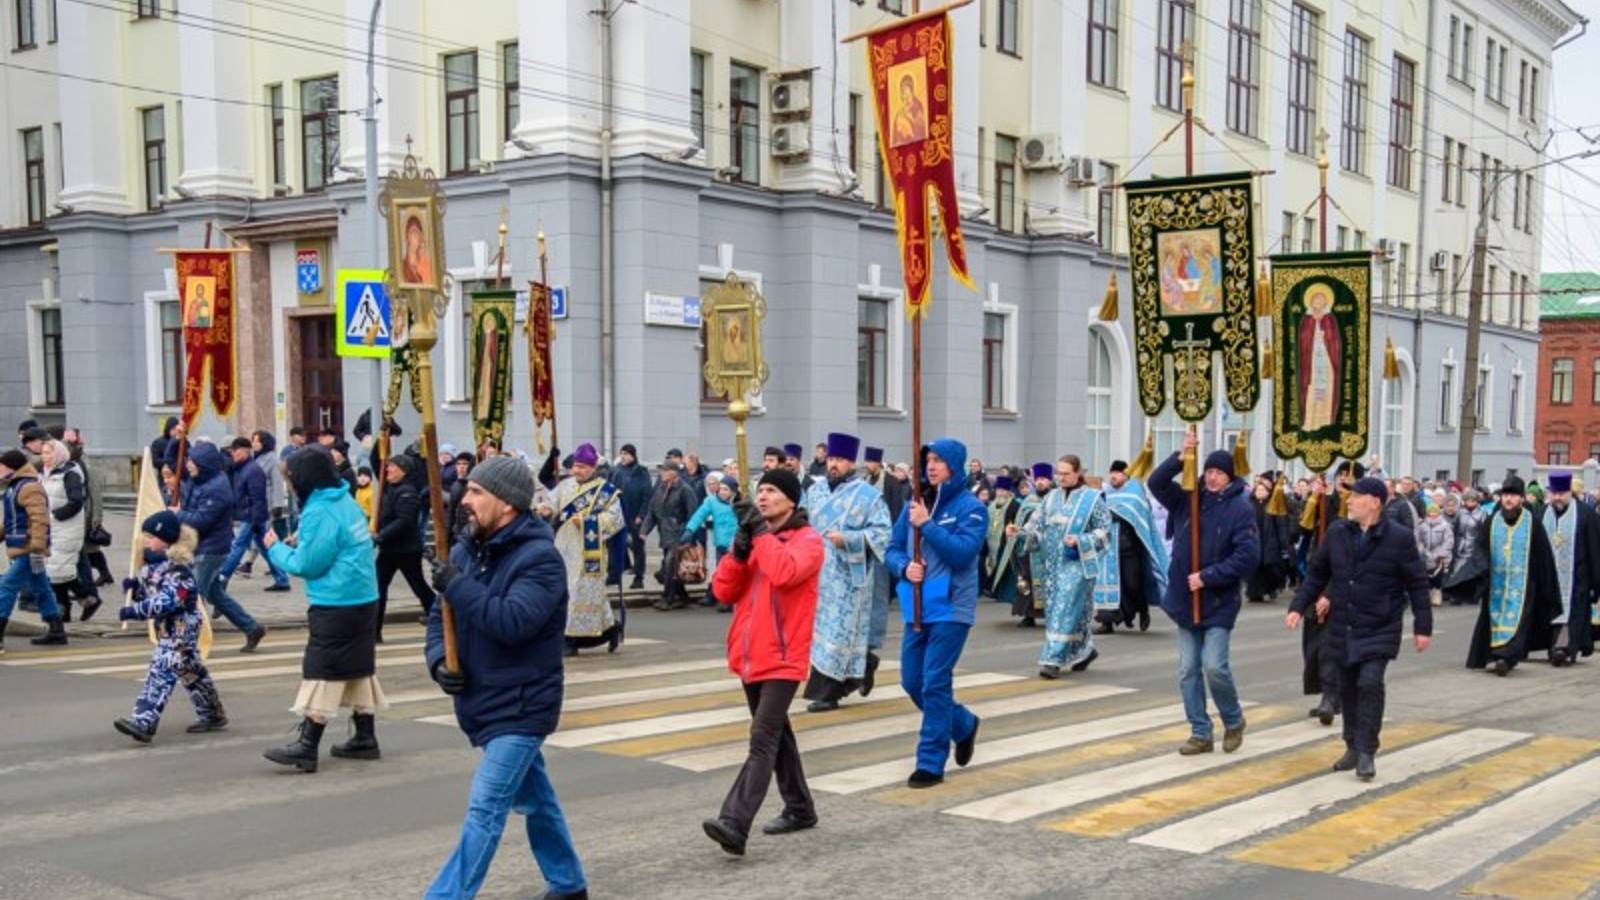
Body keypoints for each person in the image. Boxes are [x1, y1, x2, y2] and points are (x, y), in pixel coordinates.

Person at [424, 456, 588, 900]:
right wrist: (441, 663)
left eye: (477, 493)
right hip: (482, 700)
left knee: (485, 809)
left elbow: (513, 621)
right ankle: (569, 884)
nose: (466, 501)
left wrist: (456, 585)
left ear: (508, 504)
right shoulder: (464, 551)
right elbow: (439, 621)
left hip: (523, 704)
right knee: (537, 801)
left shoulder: (541, 559)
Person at [694, 466, 826, 857]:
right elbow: (722, 590)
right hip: (751, 655)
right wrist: (738, 552)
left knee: (762, 737)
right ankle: (800, 807)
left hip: (784, 657)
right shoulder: (758, 540)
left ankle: (735, 821)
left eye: (771, 491)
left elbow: (785, 573)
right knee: (777, 734)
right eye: (761, 490)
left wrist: (761, 538)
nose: (763, 496)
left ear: (791, 500)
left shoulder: (808, 541)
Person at [1286, 477, 1431, 781]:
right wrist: (1298, 607)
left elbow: (1417, 584)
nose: (1349, 502)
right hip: (1345, 624)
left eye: (1356, 497)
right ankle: (1352, 745)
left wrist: (1423, 626)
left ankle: (1367, 751)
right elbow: (1317, 573)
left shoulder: (1399, 538)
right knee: (1348, 688)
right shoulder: (1338, 532)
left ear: (1374, 502)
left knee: (1369, 683)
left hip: (1380, 624)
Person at [261, 447, 386, 772]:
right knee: (358, 666)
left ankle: (307, 744)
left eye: (290, 478)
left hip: (335, 600)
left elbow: (308, 564)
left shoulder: (319, 511)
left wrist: (274, 548)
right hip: (363, 595)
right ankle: (365, 736)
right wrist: (301, 540)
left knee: (323, 668)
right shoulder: (344, 500)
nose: (288, 484)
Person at [884, 438, 988, 788]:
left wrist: (927, 525)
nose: (931, 466)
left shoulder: (971, 507)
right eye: (928, 459)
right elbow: (893, 549)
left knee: (934, 683)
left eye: (939, 461)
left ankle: (930, 762)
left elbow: (963, 553)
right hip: (917, 605)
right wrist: (904, 568)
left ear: (955, 467)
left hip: (952, 608)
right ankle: (962, 724)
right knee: (912, 682)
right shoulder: (915, 504)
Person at [1147, 432, 1258, 755]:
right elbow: (1155, 482)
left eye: (1219, 472)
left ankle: (1233, 720)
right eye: (1208, 471)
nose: (1212, 477)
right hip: (1185, 599)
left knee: (1214, 666)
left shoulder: (1240, 509)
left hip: (1218, 599)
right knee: (1187, 669)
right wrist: (1181, 458)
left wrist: (1208, 577)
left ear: (1230, 476)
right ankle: (1200, 731)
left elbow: (1247, 557)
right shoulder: (1188, 497)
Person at [113, 513, 227, 743]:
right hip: (167, 629)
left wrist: (135, 611)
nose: (146, 541)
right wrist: (134, 590)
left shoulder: (179, 571)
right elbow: (149, 594)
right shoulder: (153, 567)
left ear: (166, 539)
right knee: (191, 672)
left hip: (182, 629)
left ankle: (144, 722)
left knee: (162, 670)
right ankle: (212, 713)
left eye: (151, 536)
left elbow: (166, 601)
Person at [800, 433, 892, 712]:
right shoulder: (814, 492)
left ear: (852, 463)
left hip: (850, 576)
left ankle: (827, 693)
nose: (834, 465)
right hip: (818, 573)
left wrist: (851, 539)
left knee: (839, 634)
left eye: (840, 460)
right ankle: (864, 665)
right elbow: (802, 523)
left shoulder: (869, 496)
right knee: (819, 632)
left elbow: (883, 533)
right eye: (831, 459)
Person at [1024, 455, 1111, 678]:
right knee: (1062, 611)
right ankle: (1085, 650)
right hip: (1052, 565)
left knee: (1065, 607)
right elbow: (1037, 527)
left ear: (1077, 473)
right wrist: (1021, 533)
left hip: (1077, 563)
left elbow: (1104, 532)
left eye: (1065, 473)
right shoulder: (1050, 498)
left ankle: (1052, 660)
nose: (1060, 478)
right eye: (1058, 473)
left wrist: (1081, 540)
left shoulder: (1092, 499)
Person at [1465, 477, 1562, 676]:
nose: (1508, 500)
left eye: (1513, 496)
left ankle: (1506, 657)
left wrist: (1545, 586)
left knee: (1519, 620)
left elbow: (1543, 557)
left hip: (1524, 585)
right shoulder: (1493, 521)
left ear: (1521, 499)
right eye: (1505, 495)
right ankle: (1497, 654)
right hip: (1495, 584)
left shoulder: (1531, 522)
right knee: (1494, 618)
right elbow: (1480, 551)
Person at [179, 442, 268, 653]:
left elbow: (201, 520)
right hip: (201, 544)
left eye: (192, 461)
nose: (188, 464)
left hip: (211, 549)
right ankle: (252, 628)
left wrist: (177, 514)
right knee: (214, 594)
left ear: (204, 463)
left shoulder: (217, 488)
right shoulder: (199, 480)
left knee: (194, 595)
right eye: (188, 460)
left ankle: (188, 643)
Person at [544, 443, 625, 655]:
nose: (576, 471)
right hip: (563, 546)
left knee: (579, 592)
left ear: (592, 468)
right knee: (577, 593)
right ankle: (610, 629)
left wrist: (589, 521)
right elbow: (552, 503)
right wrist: (545, 508)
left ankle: (570, 640)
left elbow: (616, 520)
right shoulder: (565, 485)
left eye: (581, 467)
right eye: (575, 467)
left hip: (589, 550)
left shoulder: (606, 491)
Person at [0, 449, 68, 648]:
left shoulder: (28, 487)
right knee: (41, 588)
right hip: (24, 546)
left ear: (11, 467)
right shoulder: (16, 486)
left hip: (28, 548)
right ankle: (56, 630)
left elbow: (39, 519)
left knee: (6, 587)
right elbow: (13, 521)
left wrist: (37, 547)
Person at [373, 455, 436, 643]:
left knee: (419, 587)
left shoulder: (407, 492)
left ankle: (440, 620)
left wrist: (381, 535)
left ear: (403, 470)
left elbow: (405, 521)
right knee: (377, 588)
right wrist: (384, 434)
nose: (388, 470)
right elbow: (376, 460)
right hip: (389, 550)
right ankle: (374, 632)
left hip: (406, 550)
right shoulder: (391, 488)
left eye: (392, 467)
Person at [1101, 462, 1169, 633]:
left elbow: (1134, 514)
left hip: (1130, 547)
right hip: (1109, 549)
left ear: (1126, 475)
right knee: (1107, 584)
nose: (1113, 476)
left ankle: (1142, 609)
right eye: (1112, 473)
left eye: (1118, 473)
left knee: (1132, 584)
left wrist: (1113, 513)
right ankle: (1107, 622)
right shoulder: (1105, 494)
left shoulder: (1135, 493)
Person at [219, 437, 291, 593]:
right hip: (252, 515)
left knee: (238, 546)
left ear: (246, 450)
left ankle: (222, 577)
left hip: (252, 515)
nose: (233, 454)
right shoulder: (243, 468)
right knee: (265, 548)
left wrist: (257, 519)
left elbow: (258, 497)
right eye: (232, 451)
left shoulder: (253, 470)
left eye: (236, 450)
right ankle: (282, 578)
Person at [1541, 472, 1598, 665]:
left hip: (1577, 578)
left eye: (1562, 493)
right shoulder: (1542, 513)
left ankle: (1564, 649)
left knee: (1571, 614)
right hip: (1549, 577)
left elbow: (1594, 548)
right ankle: (1556, 648)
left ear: (1570, 493)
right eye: (1554, 493)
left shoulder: (1585, 514)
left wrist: (1595, 581)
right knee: (1552, 612)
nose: (1557, 497)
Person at [40, 439, 100, 623]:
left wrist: (54, 515)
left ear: (58, 454)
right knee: (56, 571)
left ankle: (86, 599)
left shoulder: (69, 473)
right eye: (43, 453)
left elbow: (76, 501)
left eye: (49, 453)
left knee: (58, 570)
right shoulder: (48, 473)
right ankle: (65, 609)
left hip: (66, 529)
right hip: (54, 528)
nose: (45, 457)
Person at [643, 461, 698, 611]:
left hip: (679, 535)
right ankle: (683, 597)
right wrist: (644, 531)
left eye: (664, 470)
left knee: (669, 566)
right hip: (665, 534)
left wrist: (688, 534)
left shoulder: (685, 489)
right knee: (673, 567)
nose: (661, 473)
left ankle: (667, 598)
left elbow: (693, 514)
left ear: (674, 472)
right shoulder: (660, 488)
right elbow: (653, 511)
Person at [685, 474, 740, 610]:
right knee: (723, 573)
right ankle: (725, 600)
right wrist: (690, 530)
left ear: (733, 491)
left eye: (726, 489)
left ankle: (734, 600)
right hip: (721, 544)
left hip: (738, 545)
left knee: (735, 574)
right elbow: (699, 515)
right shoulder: (711, 501)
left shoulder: (740, 503)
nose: (722, 492)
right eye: (720, 488)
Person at [1010, 463, 1054, 628]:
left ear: (1049, 481)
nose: (1040, 482)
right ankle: (1029, 615)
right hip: (1029, 546)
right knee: (1027, 579)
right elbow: (1020, 520)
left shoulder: (1056, 499)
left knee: (1050, 581)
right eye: (1038, 479)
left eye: (1043, 479)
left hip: (1049, 548)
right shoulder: (1029, 499)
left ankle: (1051, 614)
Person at [608, 443, 653, 590]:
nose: (623, 457)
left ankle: (638, 577)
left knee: (637, 547)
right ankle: (613, 575)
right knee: (614, 545)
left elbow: (647, 495)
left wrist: (642, 514)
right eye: (621, 453)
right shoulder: (615, 471)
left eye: (626, 454)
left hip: (635, 514)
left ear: (633, 455)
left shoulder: (641, 471)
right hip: (617, 513)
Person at [1245, 478, 1292, 604]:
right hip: (1253, 540)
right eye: (1258, 490)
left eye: (1263, 490)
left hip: (1269, 540)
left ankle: (1271, 588)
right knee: (1254, 568)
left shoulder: (1272, 505)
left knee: (1269, 567)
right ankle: (1254, 593)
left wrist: (1284, 542)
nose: (1260, 492)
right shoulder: (1249, 505)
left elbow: (1281, 525)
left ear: (1267, 492)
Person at [982, 475, 1024, 604]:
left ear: (1008, 491)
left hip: (1007, 541)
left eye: (1003, 490)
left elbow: (1018, 522)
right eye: (998, 490)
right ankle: (995, 591)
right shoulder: (992, 506)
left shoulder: (1015, 505)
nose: (1000, 493)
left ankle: (1006, 594)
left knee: (1006, 569)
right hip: (993, 541)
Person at [1418, 500, 1456, 606]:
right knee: (1427, 576)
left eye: (1435, 512)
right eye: (1430, 512)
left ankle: (1437, 593)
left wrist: (1441, 553)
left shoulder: (1445, 525)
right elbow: (1419, 540)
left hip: (1439, 556)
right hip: (1425, 554)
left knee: (1437, 577)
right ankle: (1429, 594)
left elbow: (1449, 541)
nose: (1433, 514)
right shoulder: (1422, 525)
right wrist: (1422, 551)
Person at [862, 446, 906, 522]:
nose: (866, 465)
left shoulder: (892, 481)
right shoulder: (865, 480)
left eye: (869, 461)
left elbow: (897, 509)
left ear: (878, 463)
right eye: (866, 461)